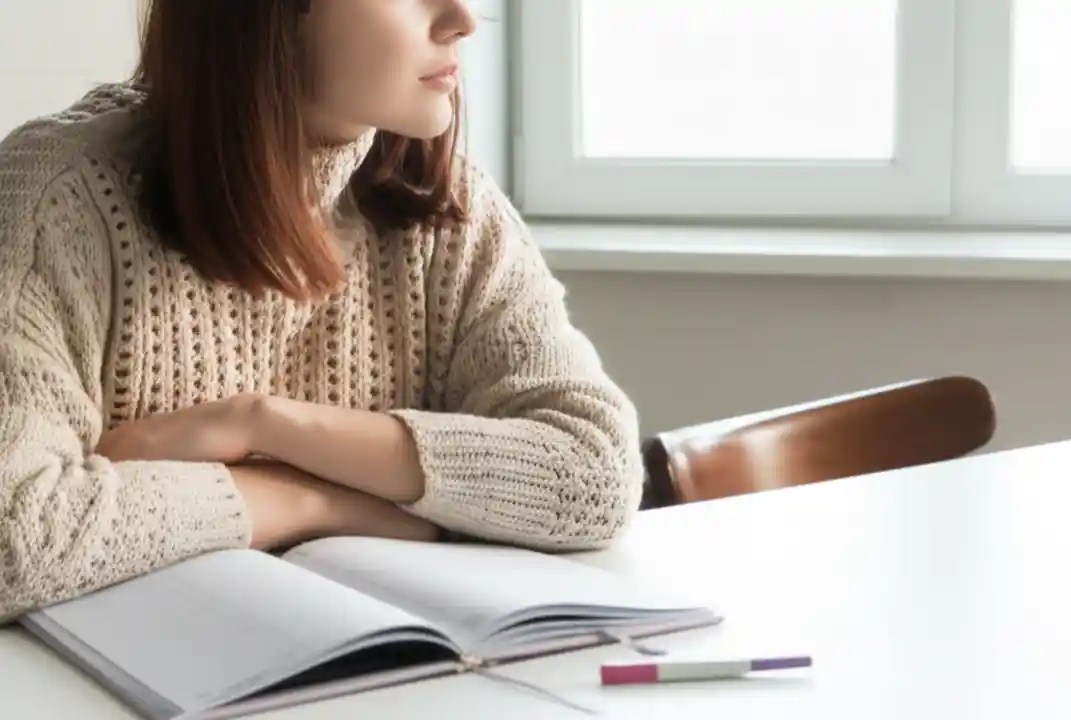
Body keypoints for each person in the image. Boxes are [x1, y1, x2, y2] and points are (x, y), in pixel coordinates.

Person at [0, 0, 643, 621]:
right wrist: (309, 501)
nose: (463, 20)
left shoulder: (454, 214)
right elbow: (13, 539)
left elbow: (596, 474)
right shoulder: (59, 197)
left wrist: (261, 425)